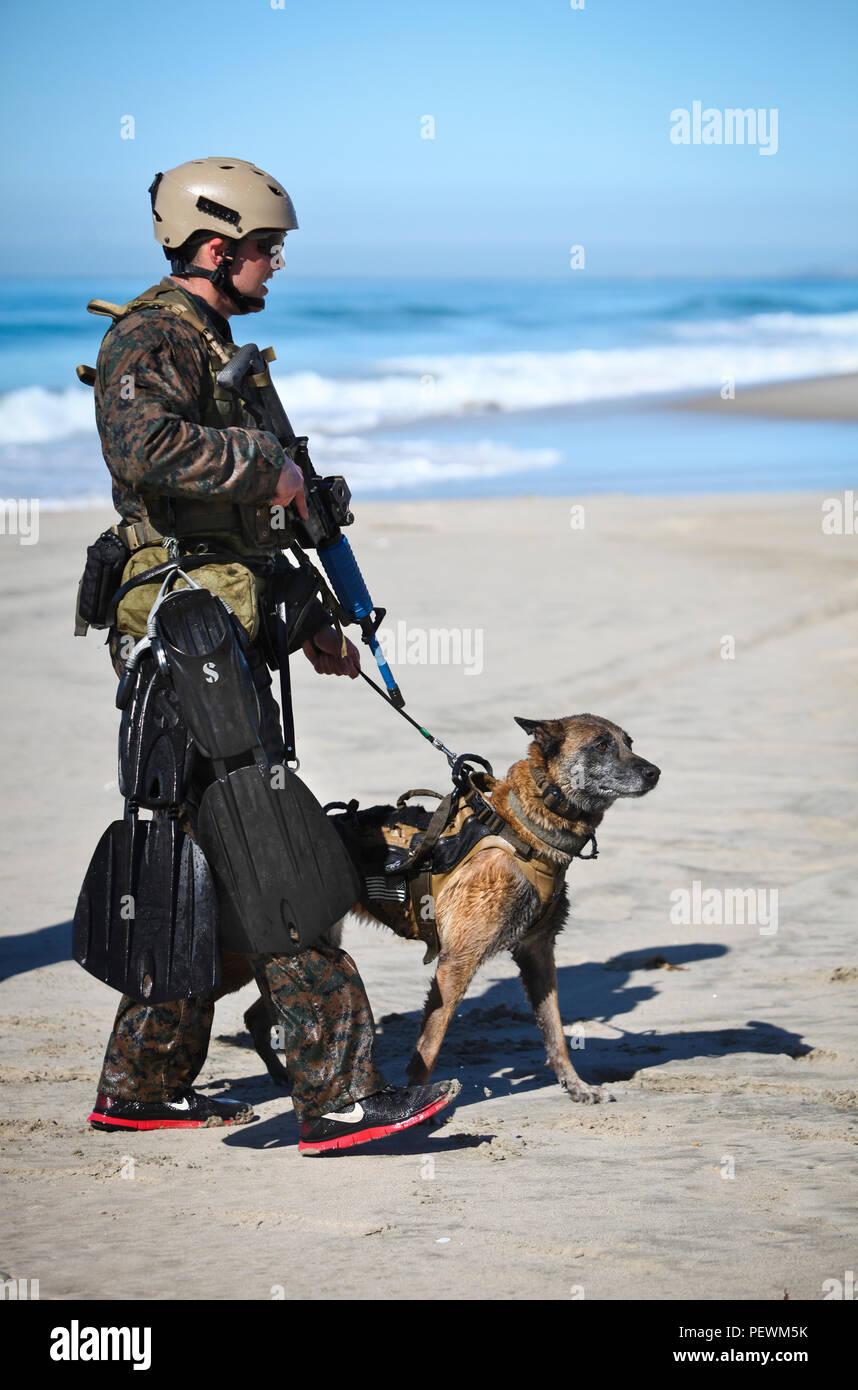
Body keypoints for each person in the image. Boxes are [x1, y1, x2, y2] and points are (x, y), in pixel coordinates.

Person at [80, 157, 459, 1153]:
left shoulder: (221, 344)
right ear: (215, 247)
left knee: (204, 854)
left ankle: (142, 1082)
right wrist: (271, 464)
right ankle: (336, 1096)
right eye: (265, 248)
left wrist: (314, 618)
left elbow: (249, 529)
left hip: (227, 619)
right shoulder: (151, 334)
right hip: (184, 635)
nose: (276, 264)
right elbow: (144, 450)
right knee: (269, 843)